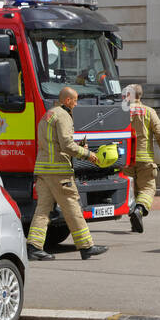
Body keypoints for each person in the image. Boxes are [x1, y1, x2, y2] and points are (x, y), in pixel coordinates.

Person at [26, 86, 108, 261]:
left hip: (43, 170)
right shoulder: (64, 116)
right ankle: (87, 247)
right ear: (68, 100)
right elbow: (66, 146)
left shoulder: (48, 115)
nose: (76, 104)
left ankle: (33, 247)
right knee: (72, 208)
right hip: (59, 172)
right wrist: (89, 155)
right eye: (75, 100)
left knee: (42, 210)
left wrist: (76, 144)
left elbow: (55, 143)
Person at [121, 84, 160, 233]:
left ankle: (134, 217)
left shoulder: (121, 112)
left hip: (126, 159)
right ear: (140, 96)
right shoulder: (149, 111)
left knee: (132, 191)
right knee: (148, 188)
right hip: (145, 158)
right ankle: (140, 210)